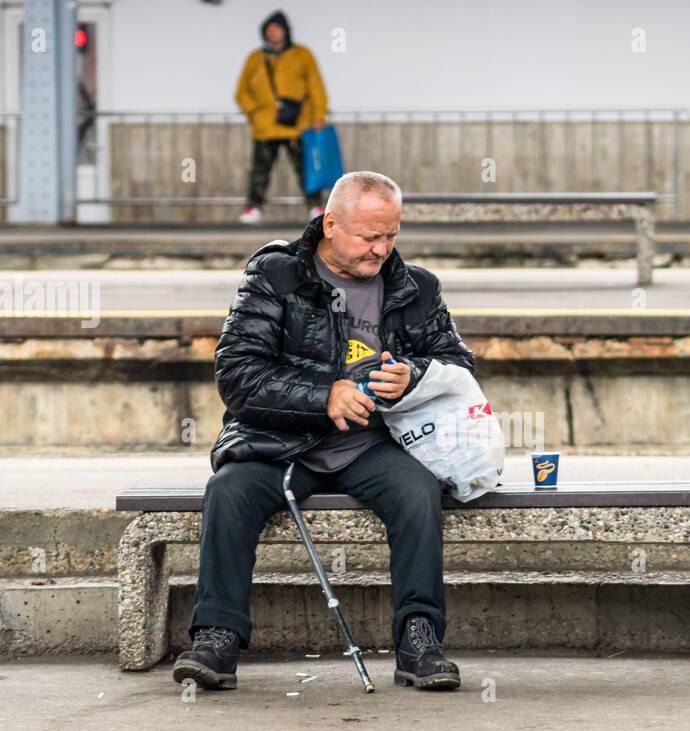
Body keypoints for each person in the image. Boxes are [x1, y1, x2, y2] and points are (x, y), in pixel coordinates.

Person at [175, 171, 473, 692]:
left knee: (418, 491)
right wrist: (323, 395)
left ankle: (419, 640)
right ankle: (217, 637)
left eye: (392, 236)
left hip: (373, 444)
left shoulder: (415, 286)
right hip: (279, 441)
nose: (381, 249)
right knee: (228, 491)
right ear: (330, 224)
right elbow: (238, 374)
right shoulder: (276, 275)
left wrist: (414, 376)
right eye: (369, 237)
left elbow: (456, 365)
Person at [235, 10, 329, 225]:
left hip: (297, 124)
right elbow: (242, 91)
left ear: (286, 31)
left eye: (276, 28)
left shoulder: (302, 55)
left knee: (306, 167)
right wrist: (254, 112)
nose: (273, 33)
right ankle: (253, 207)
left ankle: (315, 205)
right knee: (260, 170)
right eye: (269, 30)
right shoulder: (255, 58)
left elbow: (316, 86)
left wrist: (319, 114)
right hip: (265, 126)